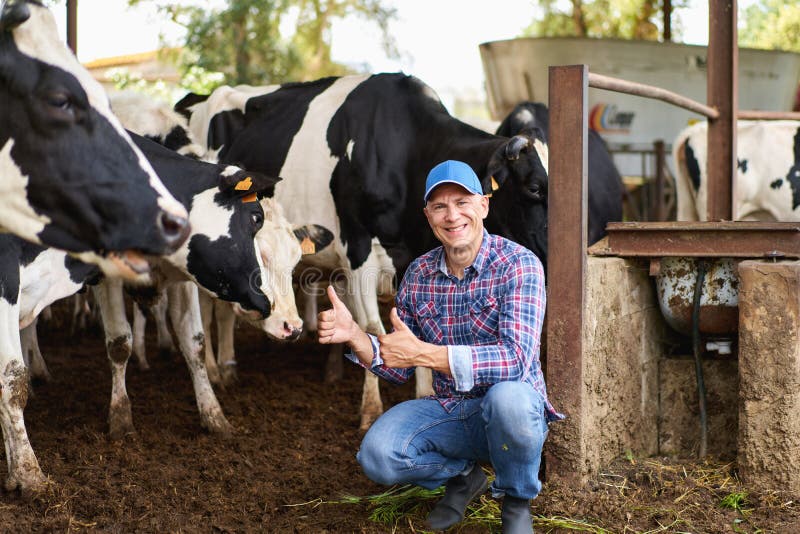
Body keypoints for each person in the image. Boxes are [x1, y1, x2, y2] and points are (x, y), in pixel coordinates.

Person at [317, 159, 562, 533]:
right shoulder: (418, 274)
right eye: (439, 206)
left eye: (462, 202)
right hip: (452, 410)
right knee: (378, 456)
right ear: (428, 215)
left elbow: (515, 360)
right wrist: (355, 335)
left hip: (513, 410)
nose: (452, 215)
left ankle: (515, 500)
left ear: (483, 206)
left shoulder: (519, 264)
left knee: (508, 399)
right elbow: (398, 365)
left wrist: (425, 354)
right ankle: (463, 478)